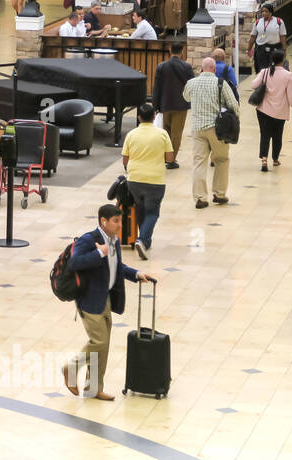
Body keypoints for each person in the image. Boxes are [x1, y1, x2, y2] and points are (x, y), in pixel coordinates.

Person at [61, 204, 157, 401]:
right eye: (116, 221)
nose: (120, 225)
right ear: (103, 222)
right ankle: (70, 368)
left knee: (103, 346)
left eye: (120, 221)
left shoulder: (114, 240)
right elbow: (75, 263)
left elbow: (117, 266)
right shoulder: (89, 240)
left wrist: (136, 274)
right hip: (89, 300)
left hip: (105, 298)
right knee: (99, 342)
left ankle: (93, 388)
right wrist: (99, 253)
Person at [183, 58, 239, 209]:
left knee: (199, 162)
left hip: (197, 128)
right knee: (221, 159)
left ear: (201, 69)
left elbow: (186, 97)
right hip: (217, 129)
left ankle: (200, 198)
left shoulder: (191, 83)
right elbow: (233, 104)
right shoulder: (221, 83)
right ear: (214, 69)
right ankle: (219, 194)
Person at [120, 103, 174, 259]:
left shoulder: (131, 134)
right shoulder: (162, 134)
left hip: (134, 179)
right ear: (154, 116)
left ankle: (146, 241)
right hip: (155, 180)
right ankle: (142, 240)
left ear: (139, 118)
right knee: (152, 213)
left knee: (140, 209)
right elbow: (170, 158)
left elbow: (125, 159)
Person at [250, 48, 292, 172]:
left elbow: (253, 85)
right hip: (280, 111)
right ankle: (275, 159)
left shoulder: (265, 72)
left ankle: (264, 159)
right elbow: (290, 95)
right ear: (282, 61)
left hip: (263, 109)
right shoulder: (288, 75)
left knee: (264, 134)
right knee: (278, 135)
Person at [153, 42, 194, 166]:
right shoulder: (186, 67)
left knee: (165, 132)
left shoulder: (161, 66)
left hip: (165, 104)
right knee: (176, 133)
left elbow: (157, 88)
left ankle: (165, 156)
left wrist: (155, 105)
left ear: (170, 50)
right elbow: (191, 85)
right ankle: (171, 159)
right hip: (181, 105)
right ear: (182, 51)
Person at [247, 2, 287, 74]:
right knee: (262, 70)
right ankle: (263, 83)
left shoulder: (278, 22)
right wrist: (249, 48)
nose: (263, 13)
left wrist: (284, 50)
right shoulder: (258, 22)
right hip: (261, 50)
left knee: (274, 70)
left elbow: (282, 36)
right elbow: (253, 36)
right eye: (262, 11)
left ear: (271, 12)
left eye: (266, 11)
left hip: (275, 49)